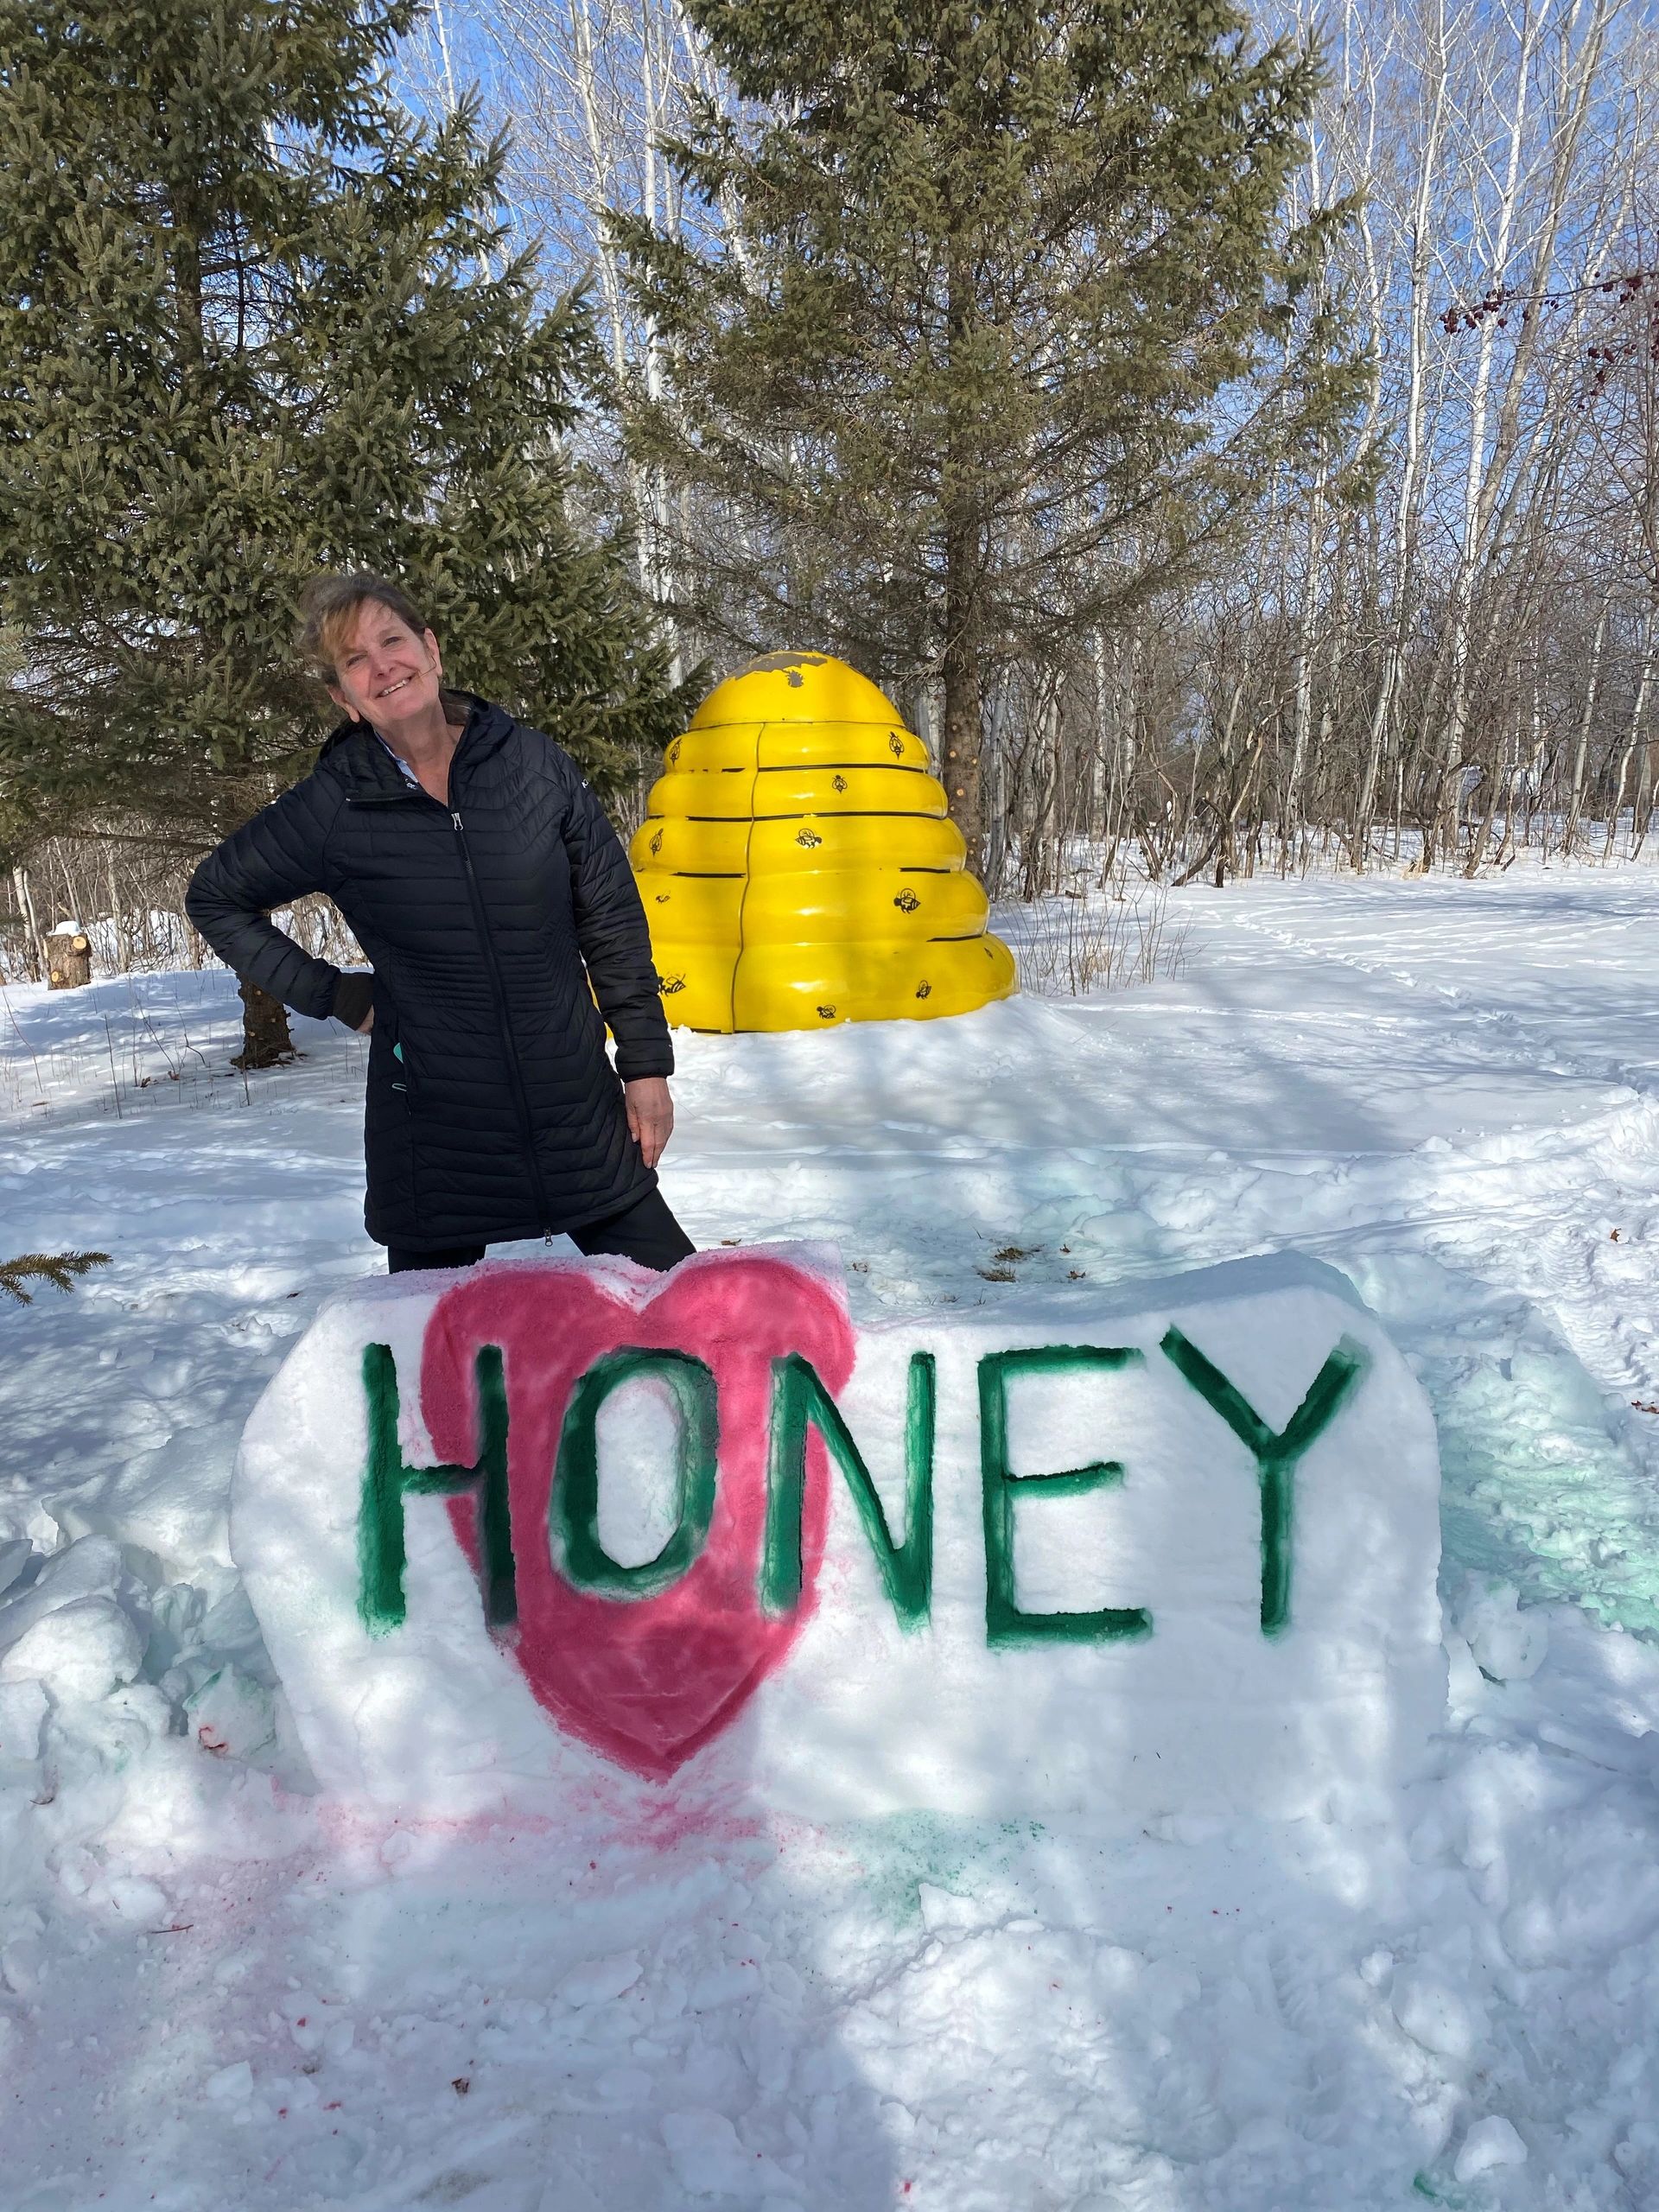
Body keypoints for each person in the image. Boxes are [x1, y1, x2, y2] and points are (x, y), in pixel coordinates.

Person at [186, 573, 694, 1277]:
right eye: (355, 660)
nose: (382, 665)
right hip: (436, 1142)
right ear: (344, 698)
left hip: (579, 1119)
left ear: (431, 649)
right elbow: (215, 897)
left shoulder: (534, 767)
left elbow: (610, 921)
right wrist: (339, 997)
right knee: (426, 1366)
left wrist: (645, 1065)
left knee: (686, 1312)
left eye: (392, 640)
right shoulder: (334, 805)